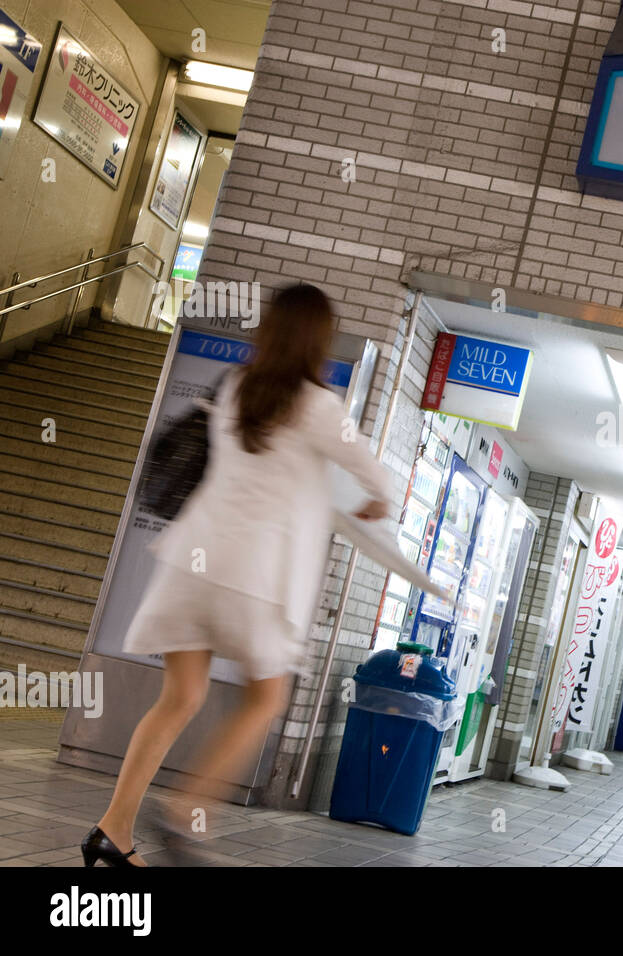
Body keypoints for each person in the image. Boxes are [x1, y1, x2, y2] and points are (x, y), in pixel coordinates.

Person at [82, 284, 392, 867]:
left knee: (179, 697)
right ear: (317, 341)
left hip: (188, 567)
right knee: (266, 697)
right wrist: (375, 503)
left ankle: (113, 829)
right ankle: (185, 811)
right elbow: (378, 476)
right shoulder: (319, 407)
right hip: (252, 579)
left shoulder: (234, 387)